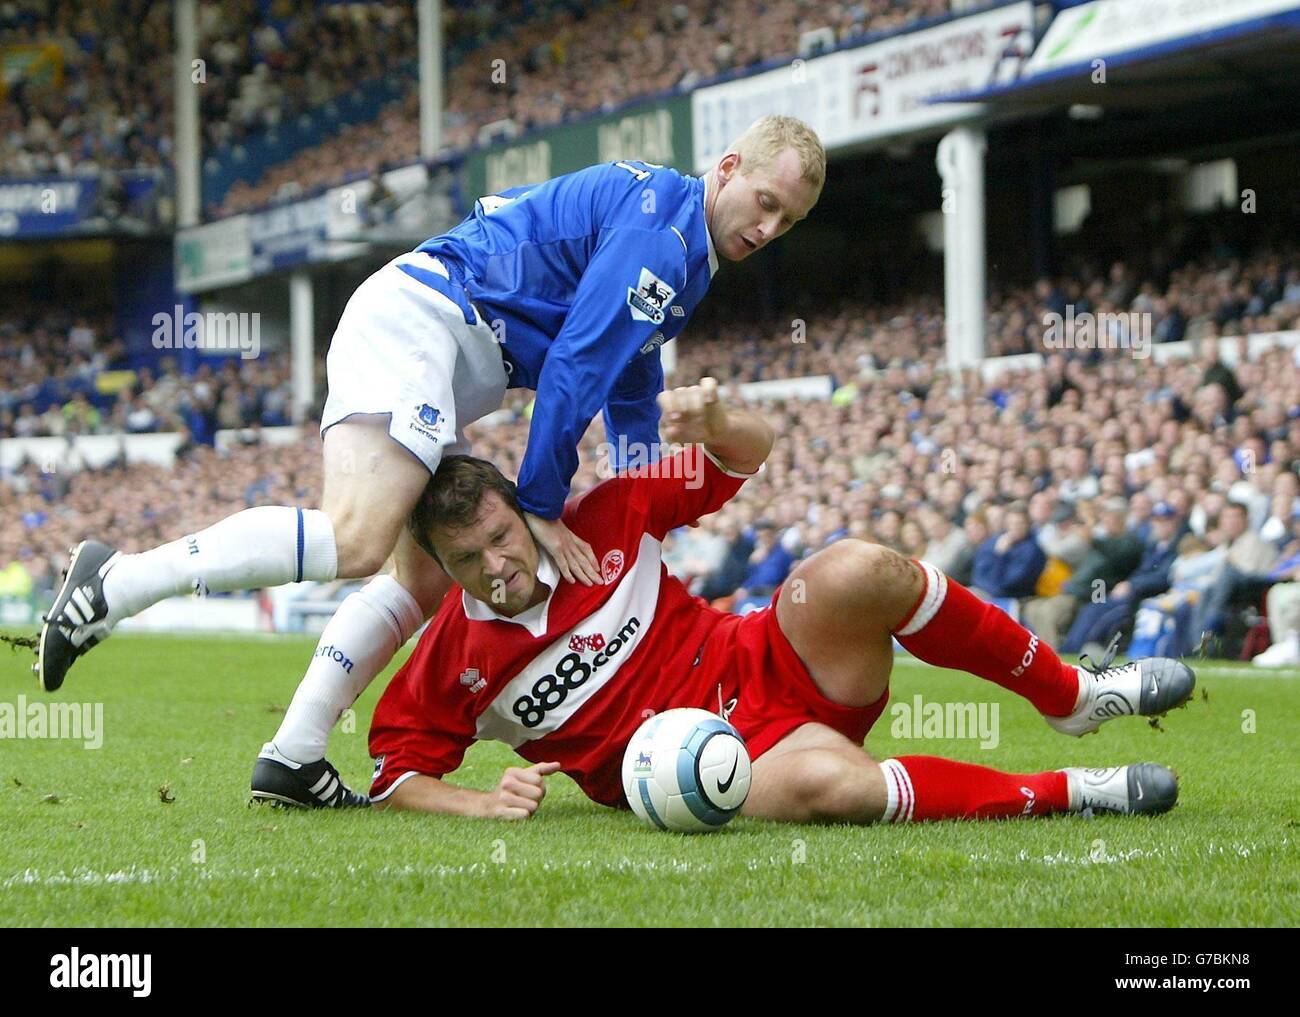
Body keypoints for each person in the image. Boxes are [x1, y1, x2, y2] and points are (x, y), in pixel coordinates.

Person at [37, 115, 827, 808]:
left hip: (442, 339)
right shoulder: (663, 234)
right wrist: (541, 505)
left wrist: (642, 486)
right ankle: (118, 582)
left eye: (787, 221)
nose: (768, 228)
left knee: (419, 576)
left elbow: (629, 376)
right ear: (728, 167)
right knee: (356, 537)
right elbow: (575, 368)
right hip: (430, 320)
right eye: (765, 202)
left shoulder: (681, 246)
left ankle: (294, 756)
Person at [368, 379, 1194, 823]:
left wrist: (720, 419)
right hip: (710, 763)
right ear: (439, 563)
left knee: (858, 567)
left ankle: (1071, 694)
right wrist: (481, 803)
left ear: (523, 511)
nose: (497, 565)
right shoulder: (452, 654)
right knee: (841, 789)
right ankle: (1076, 789)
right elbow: (395, 772)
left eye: (502, 536)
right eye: (467, 558)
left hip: (771, 656)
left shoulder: (605, 516)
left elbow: (748, 455)